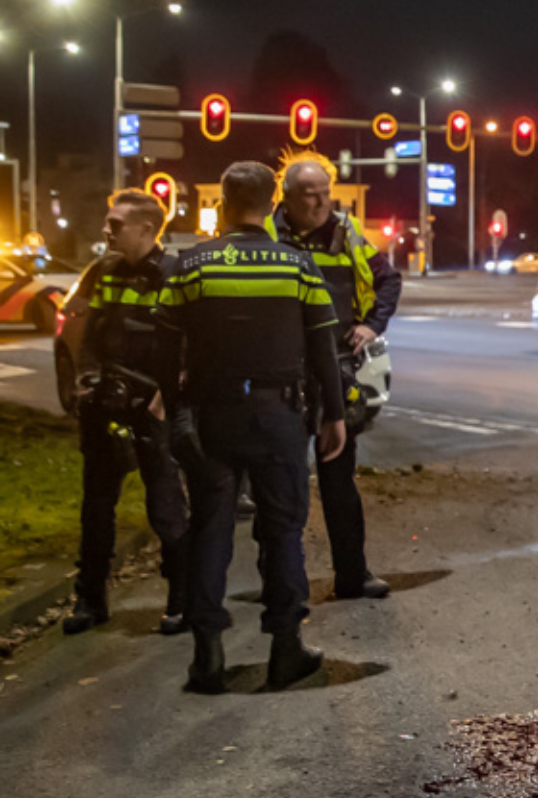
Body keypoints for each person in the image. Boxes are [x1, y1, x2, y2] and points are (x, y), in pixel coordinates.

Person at [154, 161, 348, 694]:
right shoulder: (298, 267)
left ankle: (207, 656)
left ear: (222, 201)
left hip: (211, 416)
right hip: (279, 417)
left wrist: (173, 409)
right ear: (272, 206)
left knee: (211, 527)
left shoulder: (191, 266)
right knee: (282, 530)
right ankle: (286, 648)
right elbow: (323, 351)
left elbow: (163, 346)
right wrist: (334, 415)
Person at [267, 159, 401, 601]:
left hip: (334, 372)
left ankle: (353, 574)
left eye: (326, 191)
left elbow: (388, 280)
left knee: (339, 481)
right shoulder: (266, 237)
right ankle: (279, 583)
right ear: (286, 195)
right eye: (310, 192)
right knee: (278, 484)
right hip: (281, 373)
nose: (322, 200)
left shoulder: (346, 234)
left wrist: (372, 326)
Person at [65, 189, 190, 636]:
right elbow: (85, 332)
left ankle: (181, 599)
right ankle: (90, 600)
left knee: (166, 507)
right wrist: (86, 379)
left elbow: (192, 345)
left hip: (152, 406)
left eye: (115, 224)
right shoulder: (102, 272)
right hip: (106, 404)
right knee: (96, 508)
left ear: (145, 228)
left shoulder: (176, 274)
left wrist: (167, 397)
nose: (106, 229)